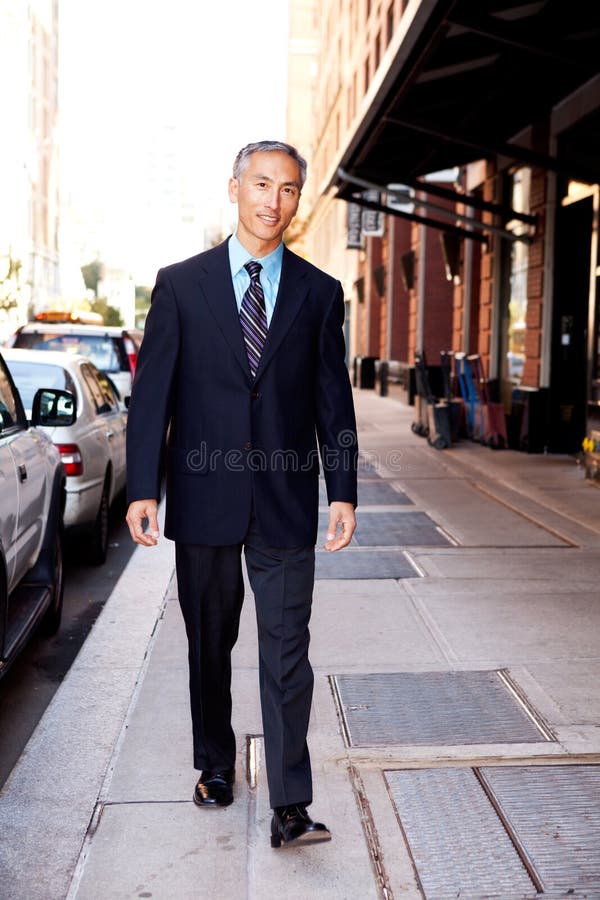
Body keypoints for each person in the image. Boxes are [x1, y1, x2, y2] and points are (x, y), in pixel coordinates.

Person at [125, 140, 358, 849]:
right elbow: (153, 396)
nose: (272, 201)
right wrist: (143, 488)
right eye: (261, 185)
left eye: (287, 189)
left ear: (297, 200)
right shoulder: (181, 285)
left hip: (286, 499)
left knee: (288, 651)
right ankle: (215, 765)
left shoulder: (319, 292)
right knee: (209, 643)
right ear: (234, 189)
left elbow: (333, 400)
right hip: (204, 497)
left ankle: (291, 803)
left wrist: (343, 489)